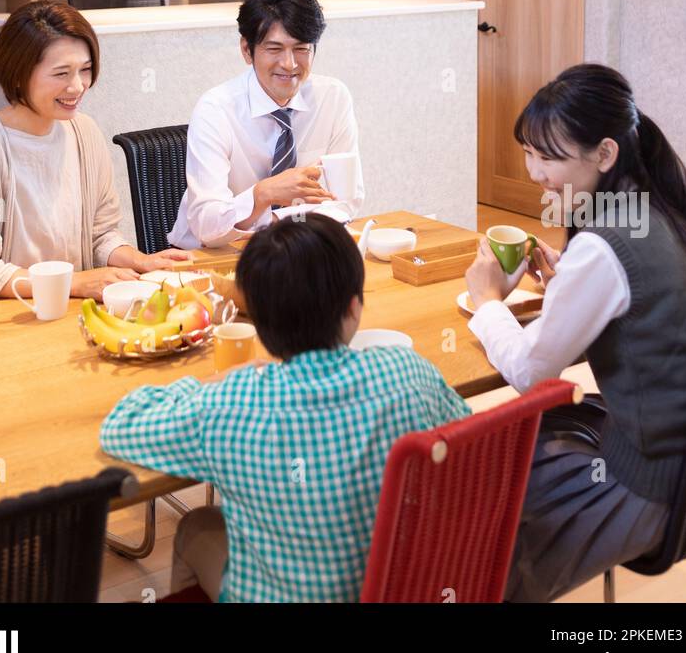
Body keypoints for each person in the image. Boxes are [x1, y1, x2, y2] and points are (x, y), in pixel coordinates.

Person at [464, 63, 686, 603]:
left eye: (548, 156)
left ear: (605, 154)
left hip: (652, 489)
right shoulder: (684, 210)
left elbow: (527, 373)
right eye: (529, 152)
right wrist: (571, 280)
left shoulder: (606, 244)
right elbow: (655, 306)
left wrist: (487, 299)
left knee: (481, 487)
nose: (534, 171)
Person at [101, 212, 468, 602]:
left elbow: (120, 425)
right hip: (412, 587)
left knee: (195, 527)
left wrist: (208, 384)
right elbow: (468, 438)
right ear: (355, 307)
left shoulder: (233, 402)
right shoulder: (408, 372)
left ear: (257, 321)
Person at [0, 0, 189, 303]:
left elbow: (100, 235)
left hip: (62, 311)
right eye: (61, 73)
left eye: (85, 70)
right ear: (18, 74)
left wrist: (137, 259)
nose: (77, 86)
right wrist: (74, 283)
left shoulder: (85, 133)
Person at [168, 0, 364, 249]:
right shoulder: (216, 109)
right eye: (274, 49)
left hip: (296, 251)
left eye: (301, 49)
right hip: (214, 255)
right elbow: (206, 224)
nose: (290, 64)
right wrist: (265, 194)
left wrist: (274, 220)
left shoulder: (333, 98)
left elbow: (346, 200)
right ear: (247, 50)